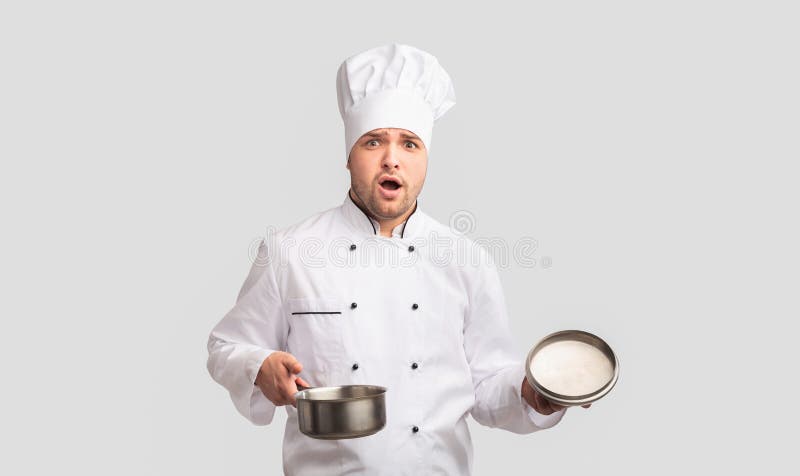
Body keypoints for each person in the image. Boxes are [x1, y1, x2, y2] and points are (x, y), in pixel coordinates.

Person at [207, 43, 574, 476]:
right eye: (373, 141)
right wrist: (258, 367)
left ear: (425, 161)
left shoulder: (465, 260)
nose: (391, 159)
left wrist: (535, 395)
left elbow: (489, 383)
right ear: (348, 156)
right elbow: (224, 348)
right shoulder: (291, 252)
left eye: (410, 144)